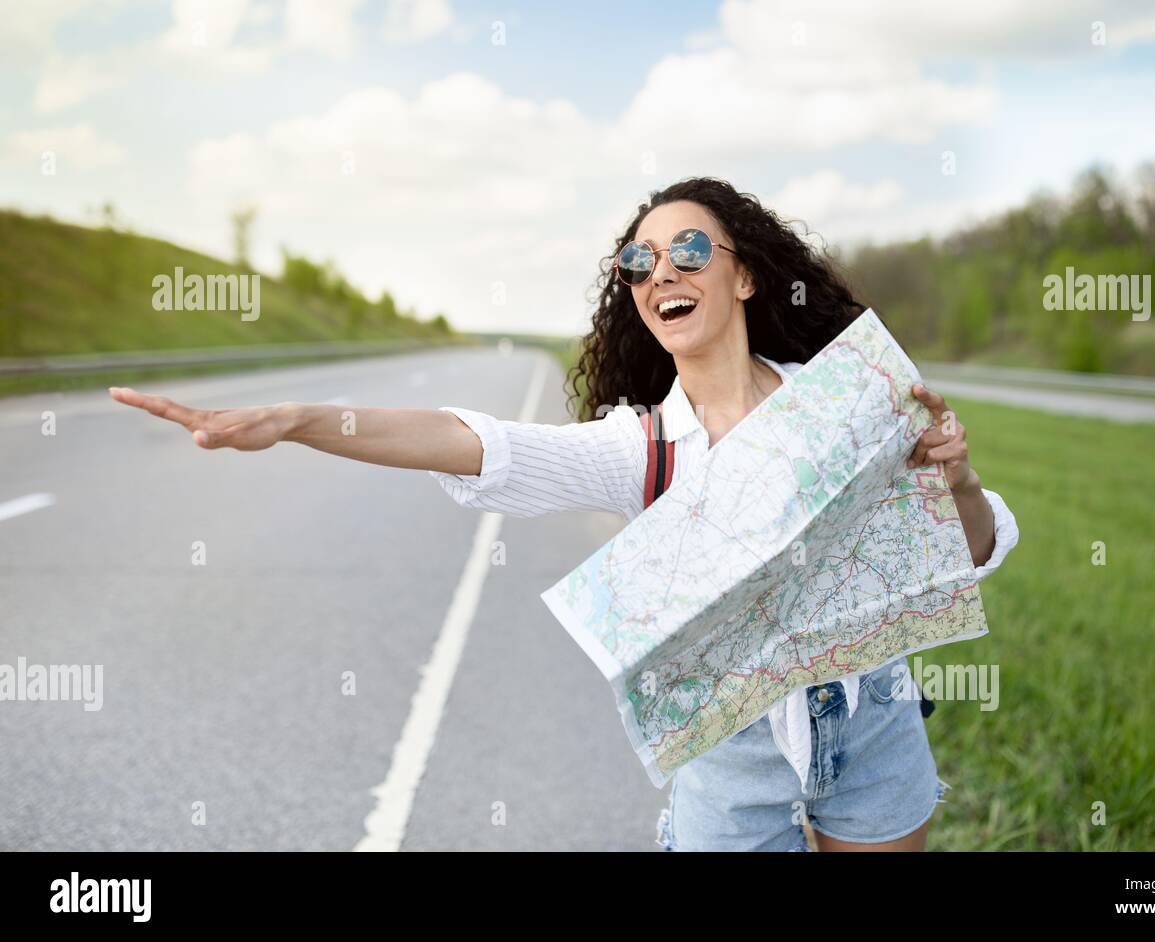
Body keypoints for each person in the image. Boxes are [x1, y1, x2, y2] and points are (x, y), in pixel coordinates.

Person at [109, 177, 1019, 852]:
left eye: (691, 250)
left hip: (873, 720)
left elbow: (971, 552)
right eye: (640, 261)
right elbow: (480, 445)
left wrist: (961, 483)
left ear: (744, 279)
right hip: (728, 758)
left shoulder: (849, 401)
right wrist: (301, 420)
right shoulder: (643, 450)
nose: (662, 269)